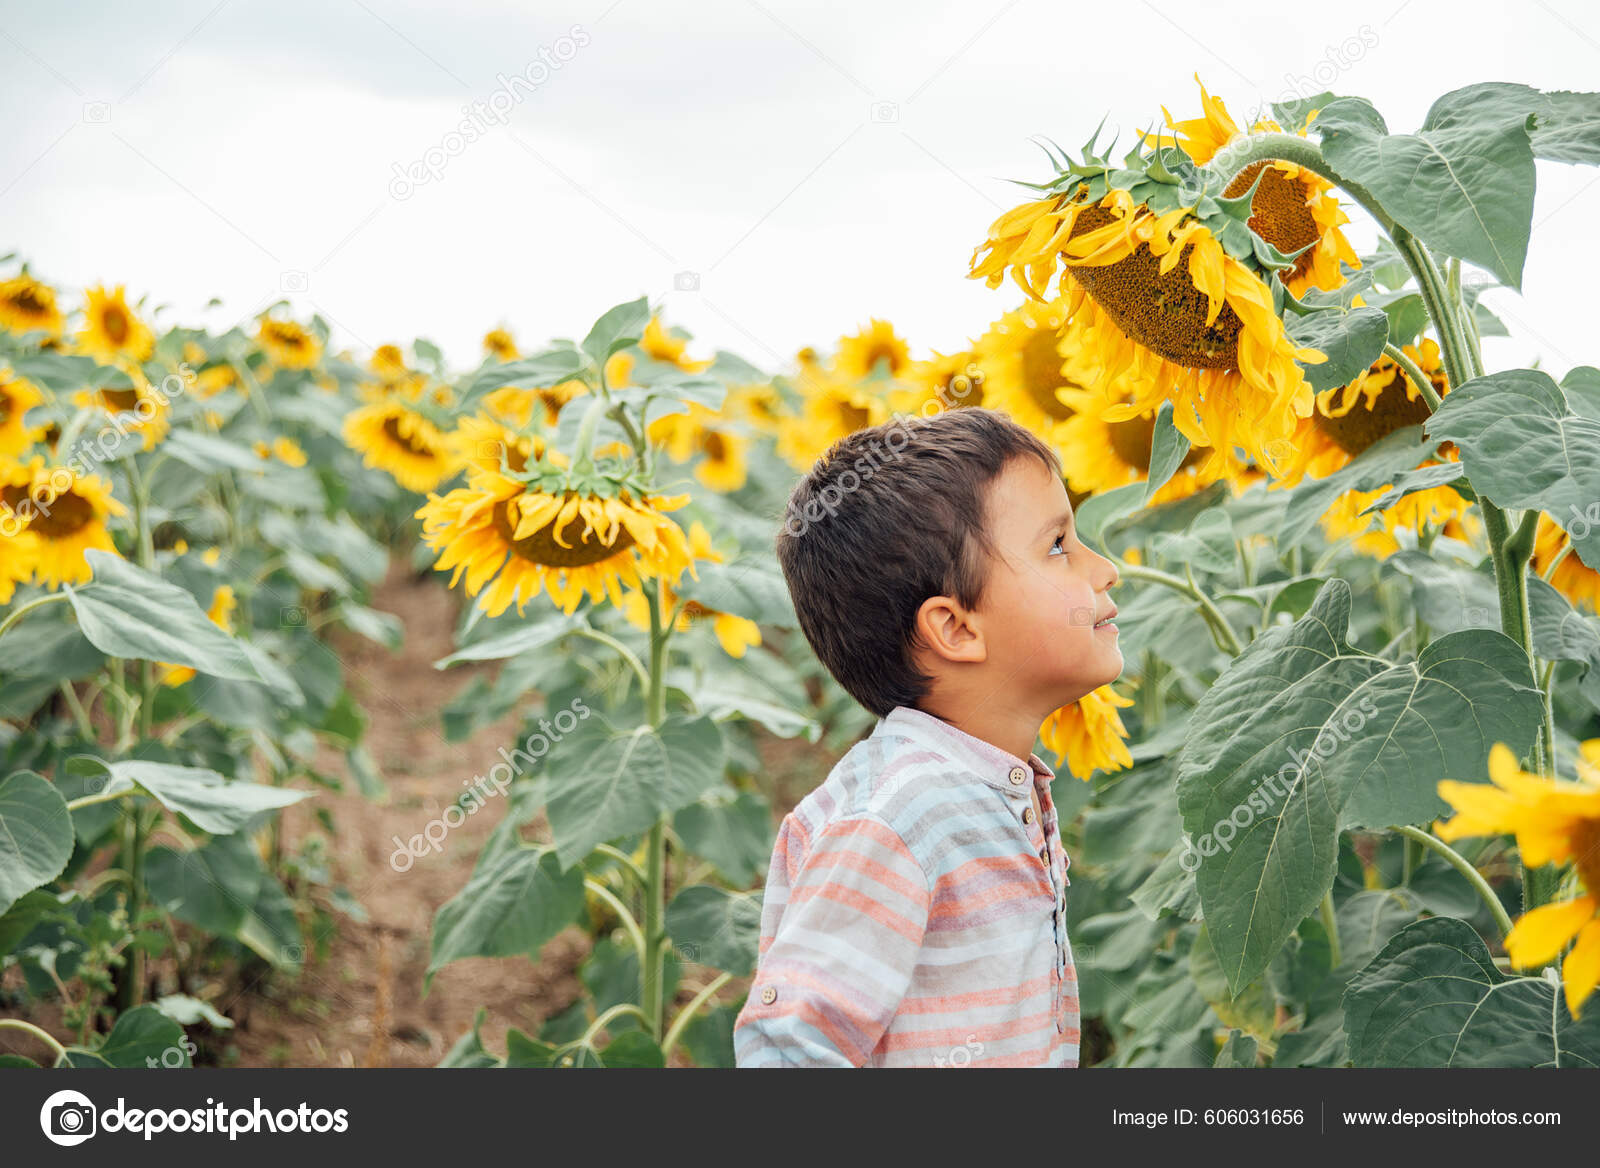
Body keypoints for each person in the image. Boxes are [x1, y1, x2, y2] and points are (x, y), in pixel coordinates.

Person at [734, 407, 1122, 1067]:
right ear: (957, 629)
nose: (1104, 568)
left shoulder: (979, 785)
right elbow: (786, 1047)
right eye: (1058, 545)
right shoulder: (900, 818)